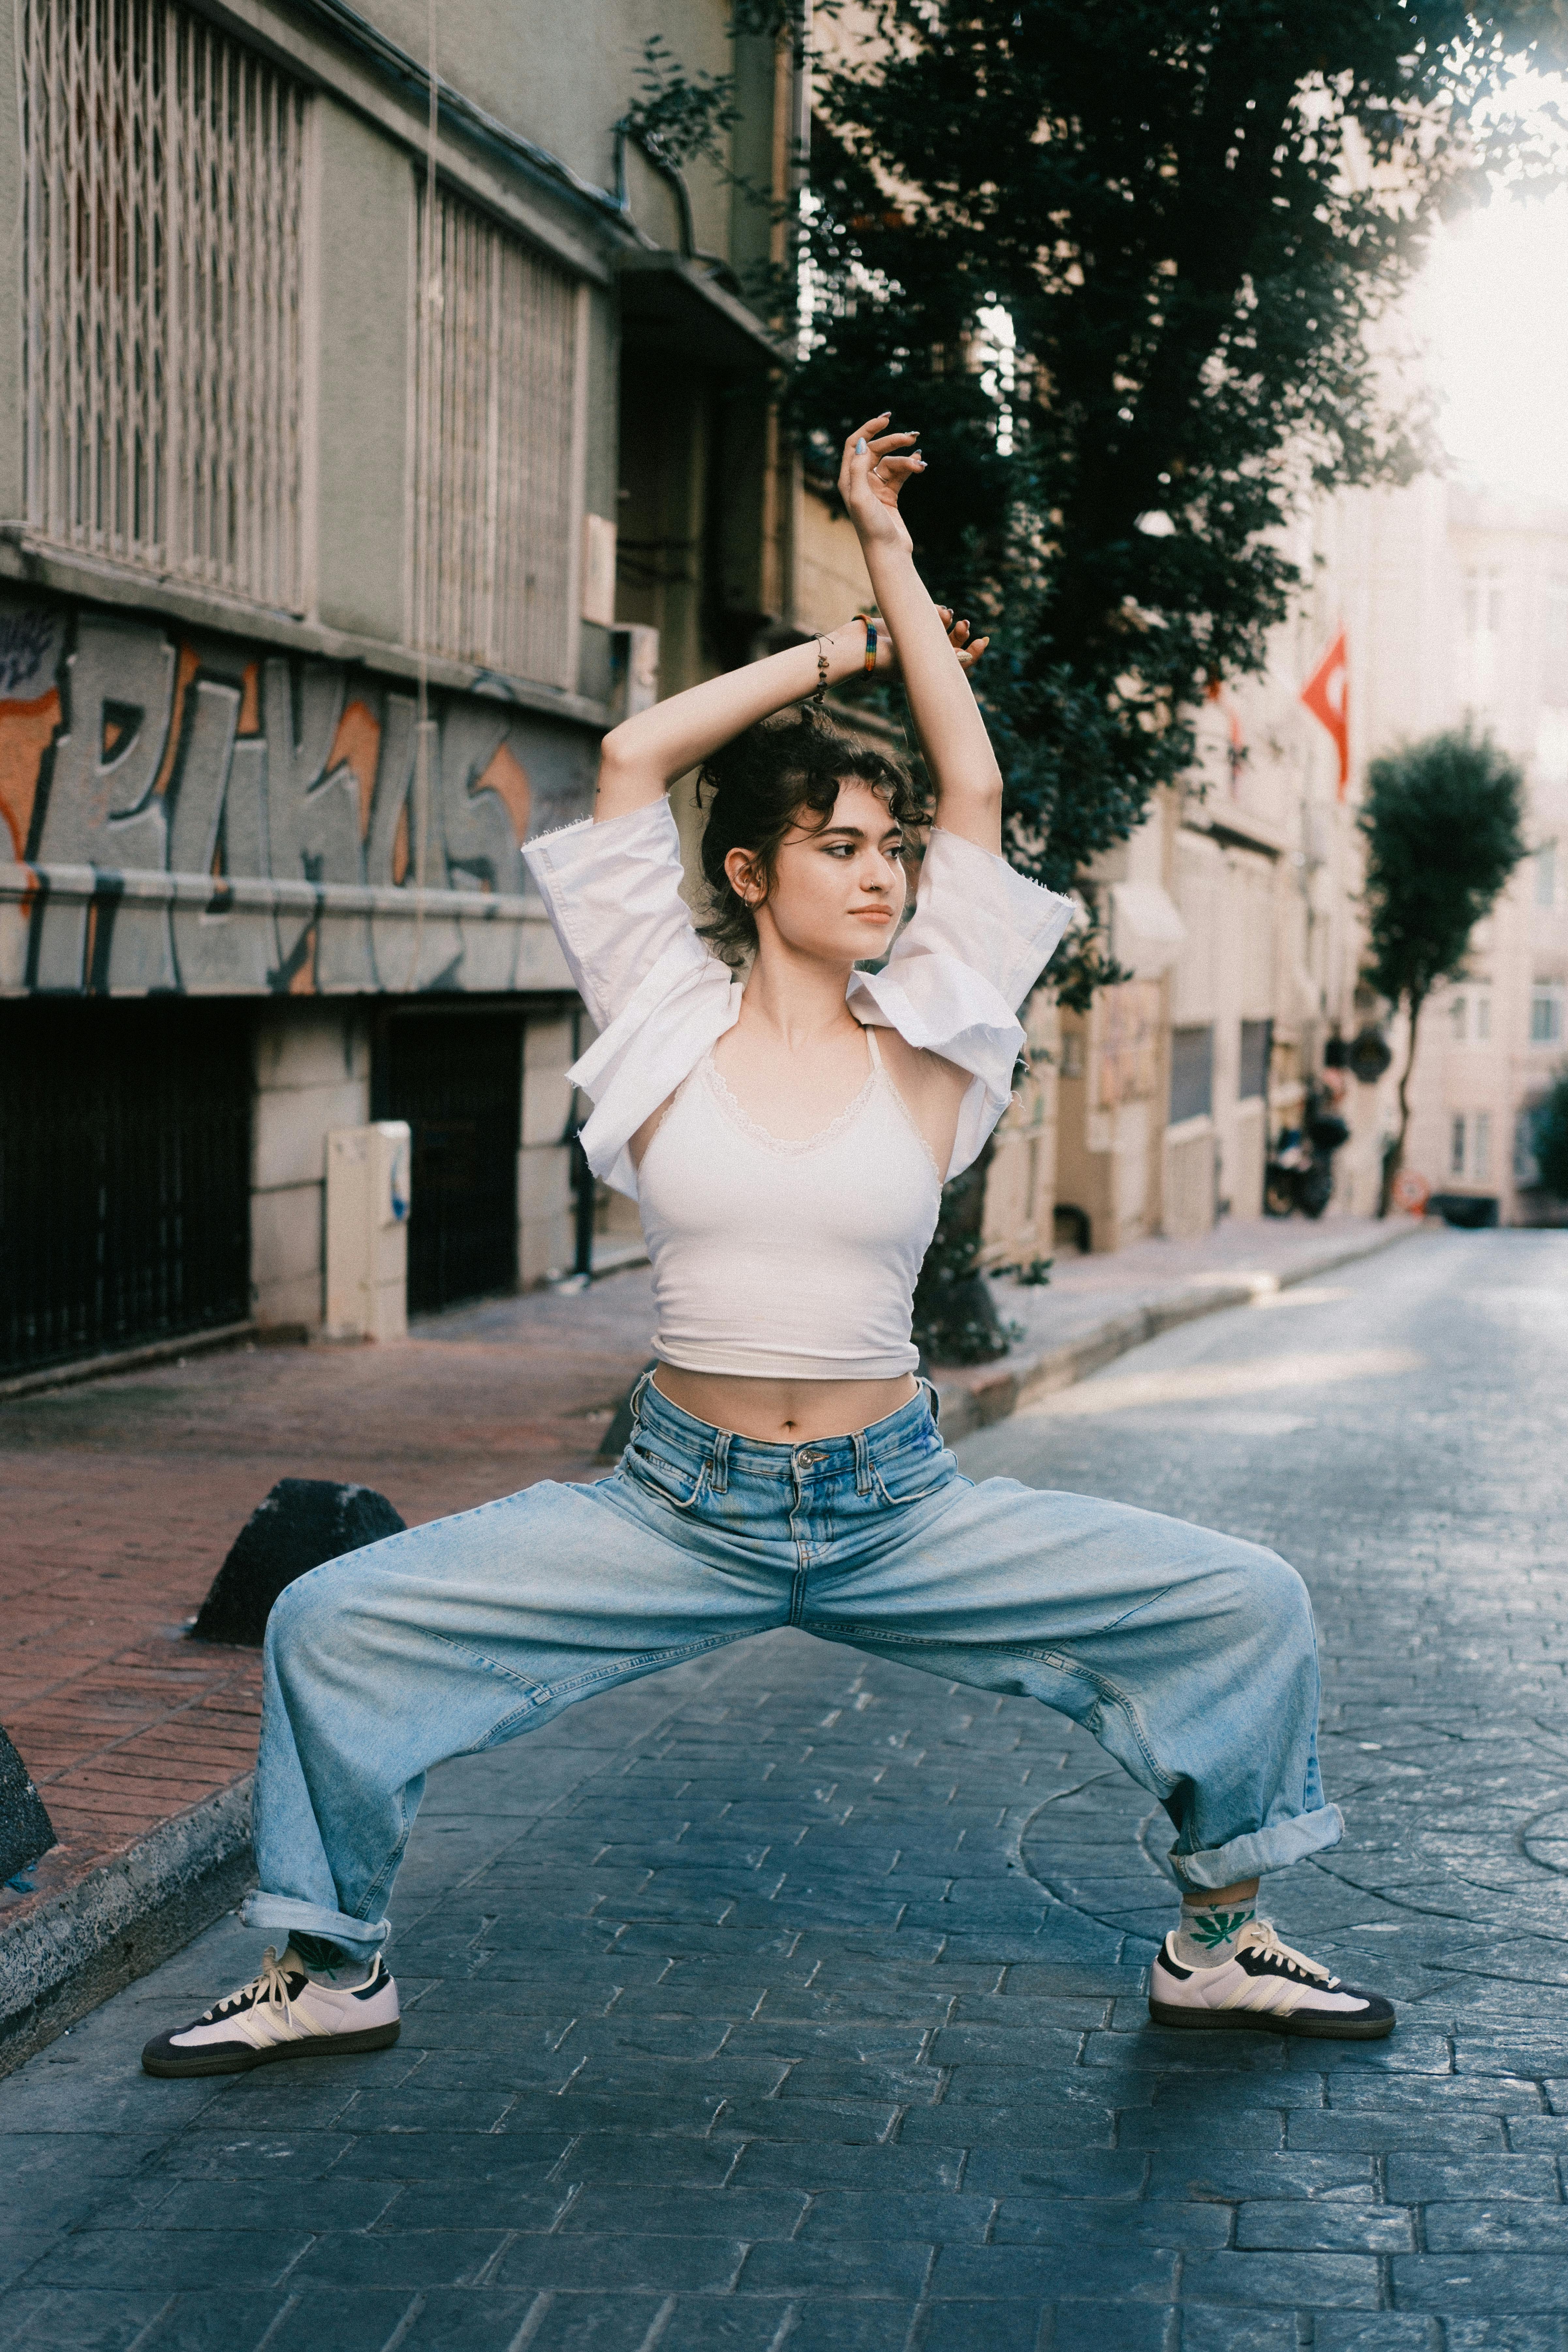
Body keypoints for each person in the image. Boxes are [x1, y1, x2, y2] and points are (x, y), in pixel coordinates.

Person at [142, 412, 1392, 2077]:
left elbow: (981, 787)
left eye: (892, 849)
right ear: (750, 870)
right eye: (838, 844)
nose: (881, 871)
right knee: (332, 1622)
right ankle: (330, 1962)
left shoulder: (940, 1033)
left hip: (895, 1507)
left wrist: (895, 553)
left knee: (1250, 1601)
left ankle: (1219, 1936)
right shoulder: (661, 1013)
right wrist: (839, 653)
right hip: (672, 1508)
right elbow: (630, 760)